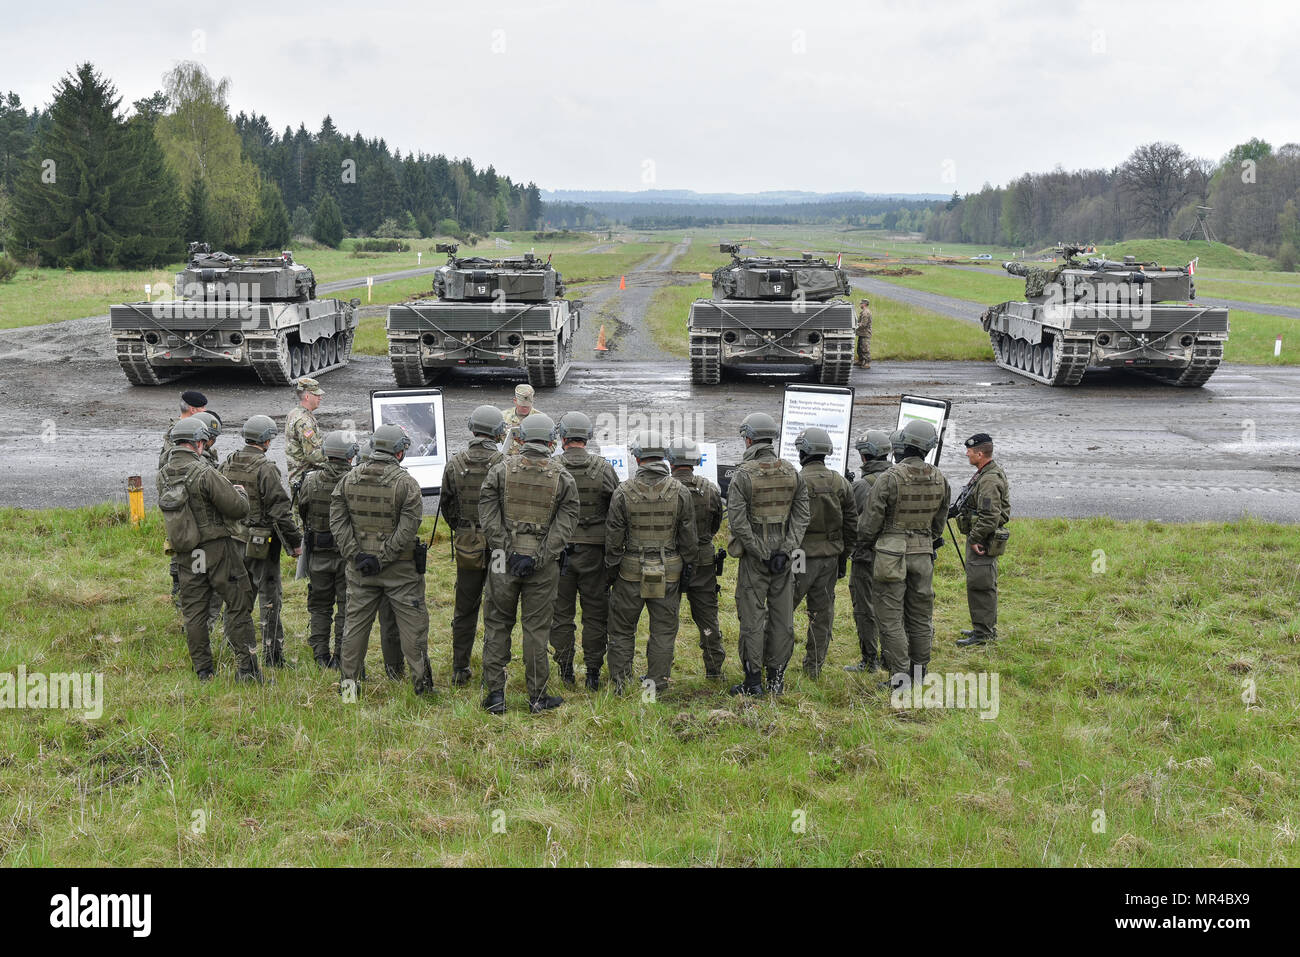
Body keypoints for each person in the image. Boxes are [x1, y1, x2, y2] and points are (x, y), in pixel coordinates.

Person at [478, 413, 579, 713]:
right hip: (542, 563)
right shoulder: (563, 477)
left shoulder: (500, 469)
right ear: (552, 441)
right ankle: (537, 698)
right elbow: (567, 522)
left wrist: (504, 548)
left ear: (521, 439)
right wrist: (540, 555)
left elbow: (487, 509)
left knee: (497, 624)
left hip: (500, 559)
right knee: (536, 629)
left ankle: (495, 695)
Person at [331, 424, 435, 697]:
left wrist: (357, 555)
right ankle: (422, 688)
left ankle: (348, 690)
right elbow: (409, 528)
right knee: (413, 627)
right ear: (399, 452)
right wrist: (383, 557)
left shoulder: (348, 480)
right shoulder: (406, 484)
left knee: (354, 628)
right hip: (399, 570)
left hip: (361, 569)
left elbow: (338, 523)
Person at [156, 417, 261, 683]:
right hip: (217, 549)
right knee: (239, 602)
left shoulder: (164, 475)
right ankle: (247, 671)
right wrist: (241, 494)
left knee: (194, 612)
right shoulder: (204, 472)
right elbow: (237, 508)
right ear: (199, 443)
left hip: (187, 552)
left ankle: (203, 671)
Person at [858, 419, 951, 688]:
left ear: (903, 444)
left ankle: (900, 678)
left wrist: (868, 544)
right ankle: (920, 673)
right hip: (923, 555)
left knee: (890, 618)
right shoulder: (939, 478)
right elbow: (939, 524)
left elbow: (869, 524)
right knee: (920, 616)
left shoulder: (890, 478)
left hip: (890, 555)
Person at [604, 430, 696, 696]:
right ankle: (653, 690)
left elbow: (613, 540)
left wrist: (612, 572)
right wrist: (685, 569)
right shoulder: (680, 491)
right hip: (668, 573)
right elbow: (688, 540)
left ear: (636, 456)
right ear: (664, 457)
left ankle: (620, 686)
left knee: (621, 631)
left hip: (630, 572)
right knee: (663, 633)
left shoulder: (623, 492)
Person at [725, 412, 810, 696]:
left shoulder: (742, 475)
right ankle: (776, 680)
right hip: (784, 559)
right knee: (783, 617)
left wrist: (761, 553)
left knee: (751, 618)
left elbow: (737, 522)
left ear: (749, 439)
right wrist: (786, 551)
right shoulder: (792, 473)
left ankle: (753, 683)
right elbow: (802, 516)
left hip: (754, 558)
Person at [219, 415, 303, 666]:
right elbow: (280, 511)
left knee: (236, 596)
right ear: (266, 440)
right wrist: (295, 542)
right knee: (270, 597)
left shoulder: (229, 461)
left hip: (233, 538)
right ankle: (273, 656)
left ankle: (231, 648)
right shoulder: (266, 468)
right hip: (260, 544)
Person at [551, 411, 619, 690]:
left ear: (563, 437)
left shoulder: (552, 467)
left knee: (561, 614)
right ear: (587, 437)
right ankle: (593, 672)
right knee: (595, 614)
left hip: (559, 552)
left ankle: (566, 669)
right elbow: (617, 509)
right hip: (595, 553)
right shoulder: (603, 469)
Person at [441, 405, 508, 686]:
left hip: (467, 542)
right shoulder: (505, 463)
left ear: (472, 429)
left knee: (465, 606)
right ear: (497, 432)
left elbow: (447, 505)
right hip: (499, 547)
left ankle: (460, 668)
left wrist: (463, 527)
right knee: (497, 608)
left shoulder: (455, 463)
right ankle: (493, 675)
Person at [789, 427, 857, 678]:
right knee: (822, 614)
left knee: (785, 607)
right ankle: (813, 667)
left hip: (799, 556)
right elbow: (852, 525)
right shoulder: (841, 482)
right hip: (829, 557)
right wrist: (843, 556)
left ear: (804, 452)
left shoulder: (796, 480)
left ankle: (776, 661)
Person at [667, 436, 726, 679]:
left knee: (666, 620)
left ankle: (661, 671)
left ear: (670, 461)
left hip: (671, 558)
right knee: (707, 618)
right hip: (702, 560)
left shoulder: (665, 489)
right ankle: (714, 669)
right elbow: (716, 525)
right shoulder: (710, 489)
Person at [954, 432, 1011, 647]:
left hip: (984, 540)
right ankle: (982, 627)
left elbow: (990, 516)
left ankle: (984, 633)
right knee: (979, 583)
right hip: (982, 537)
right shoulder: (985, 473)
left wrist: (976, 538)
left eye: (969, 451)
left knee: (981, 585)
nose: (967, 453)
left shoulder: (988, 480)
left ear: (980, 453)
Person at [845, 430, 893, 673]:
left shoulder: (862, 486)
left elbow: (851, 524)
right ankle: (892, 658)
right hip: (896, 556)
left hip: (867, 557)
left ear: (864, 457)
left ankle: (870, 660)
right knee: (893, 608)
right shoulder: (899, 478)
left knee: (865, 609)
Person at [285, 376, 327, 492]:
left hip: (297, 475)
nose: (320, 398)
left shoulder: (294, 413)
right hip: (305, 481)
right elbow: (313, 454)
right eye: (317, 395)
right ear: (308, 397)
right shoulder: (304, 421)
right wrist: (335, 461)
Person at [502, 383, 544, 455]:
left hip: (533, 461)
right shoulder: (503, 417)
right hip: (508, 461)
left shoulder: (542, 419)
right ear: (515, 401)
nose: (525, 408)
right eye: (522, 406)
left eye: (527, 406)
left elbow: (552, 444)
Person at [856, 299, 873, 368]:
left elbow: (863, 324)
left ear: (865, 304)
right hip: (862, 333)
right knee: (860, 348)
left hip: (865, 333)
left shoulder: (866, 313)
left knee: (865, 348)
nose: (860, 304)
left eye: (861, 303)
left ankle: (867, 363)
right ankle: (861, 361)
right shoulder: (864, 312)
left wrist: (855, 325)